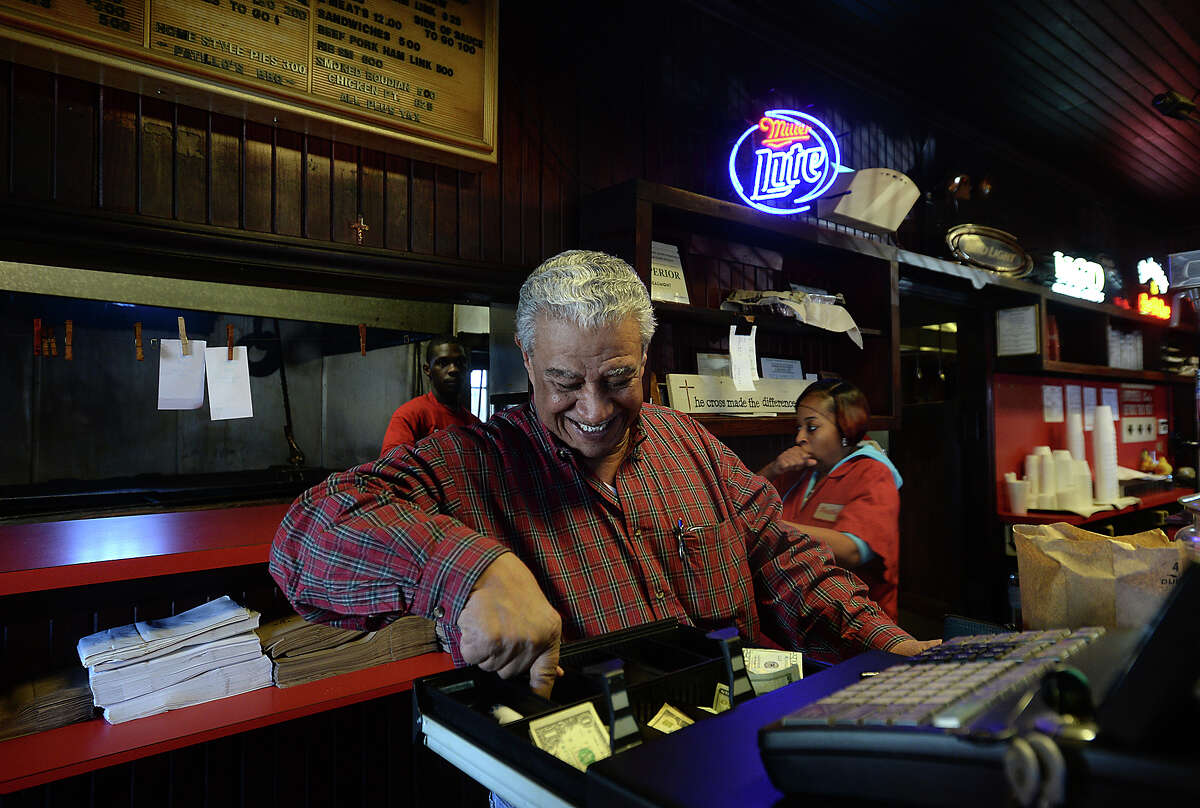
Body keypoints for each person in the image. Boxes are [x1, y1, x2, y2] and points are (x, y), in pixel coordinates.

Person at [271, 250, 935, 698]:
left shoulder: (690, 445)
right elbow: (304, 538)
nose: (593, 409)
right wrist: (466, 569)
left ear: (644, 357)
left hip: (727, 740)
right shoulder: (471, 466)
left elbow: (786, 560)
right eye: (564, 382)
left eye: (618, 379)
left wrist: (889, 648)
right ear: (528, 361)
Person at [758, 380, 902, 618]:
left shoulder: (873, 473)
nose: (800, 438)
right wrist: (774, 468)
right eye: (798, 428)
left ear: (845, 430)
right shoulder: (801, 469)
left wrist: (772, 526)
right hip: (797, 610)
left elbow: (853, 550)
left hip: (852, 617)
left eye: (812, 428)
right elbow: (744, 501)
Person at [380, 335, 481, 453]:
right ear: (428, 370)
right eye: (443, 363)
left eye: (460, 362)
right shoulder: (409, 415)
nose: (453, 369)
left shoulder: (475, 425)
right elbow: (393, 467)